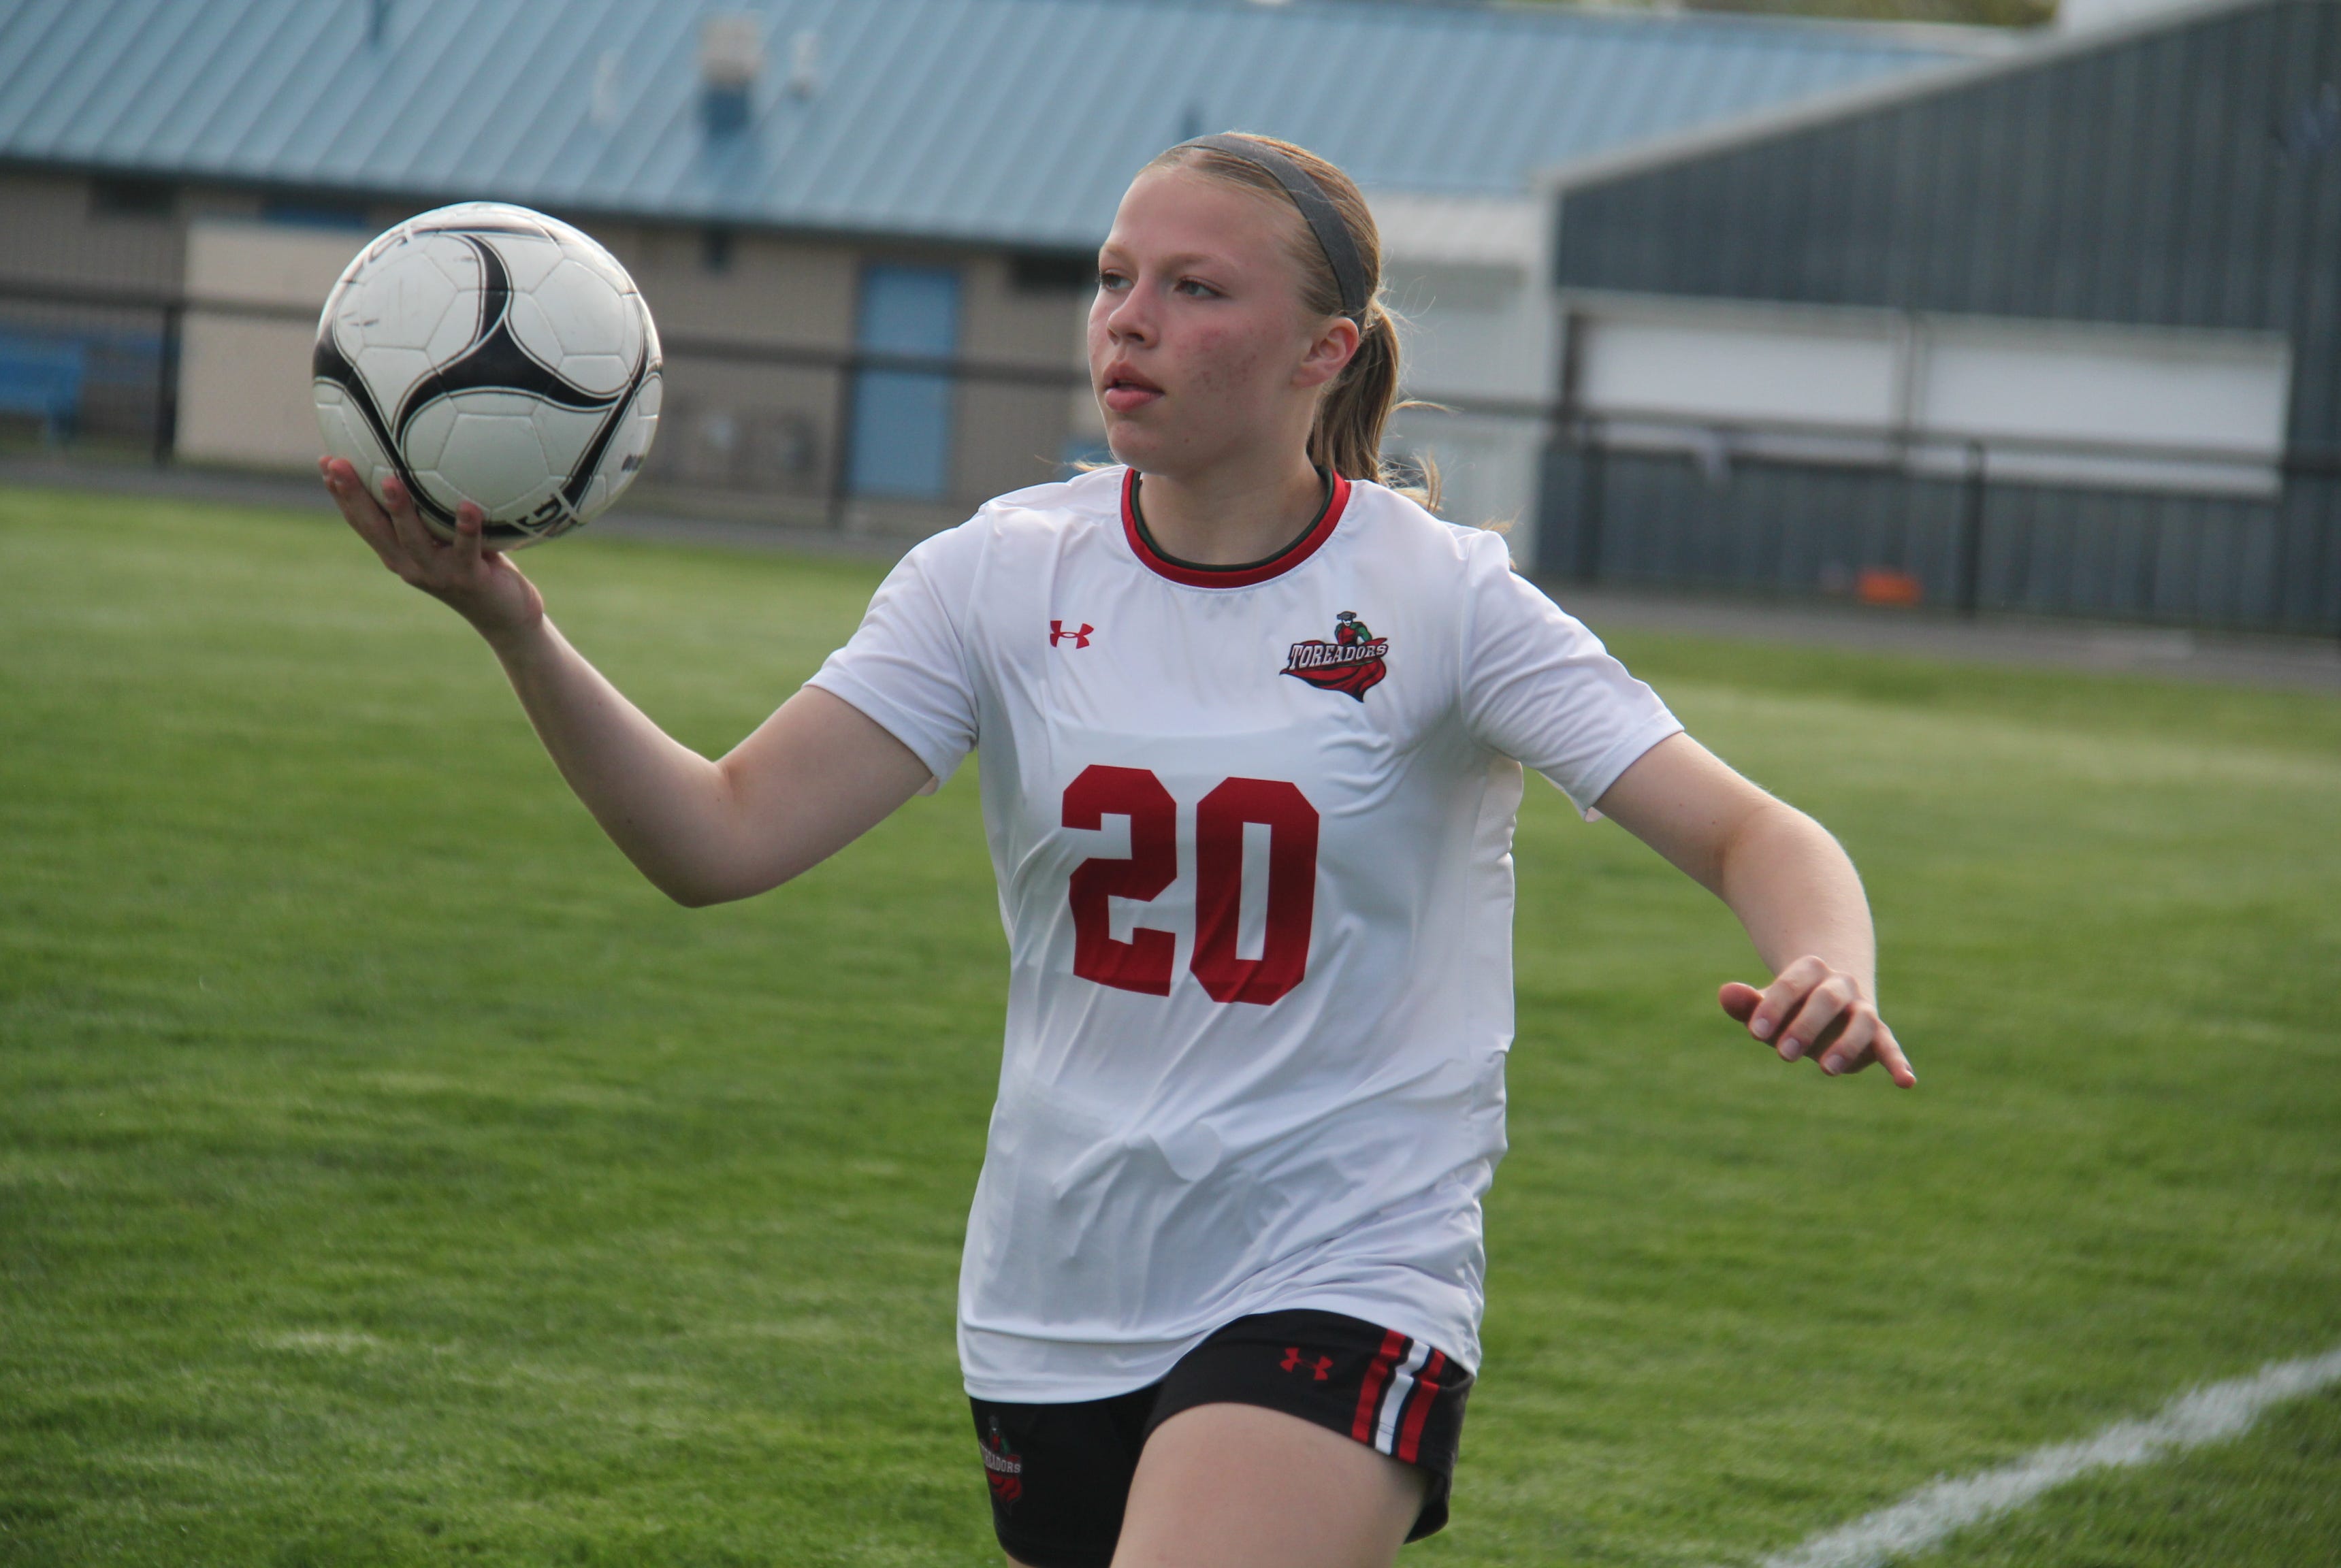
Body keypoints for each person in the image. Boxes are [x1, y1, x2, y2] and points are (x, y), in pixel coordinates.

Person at [323, 132, 1914, 1568]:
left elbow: (1751, 828)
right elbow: (718, 838)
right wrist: (512, 628)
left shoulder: (1439, 595)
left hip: (1343, 1262)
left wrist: (1825, 955)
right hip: (1051, 1294)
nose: (1127, 320)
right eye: (1112, 279)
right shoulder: (999, 574)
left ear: (1323, 351)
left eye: (1194, 288)